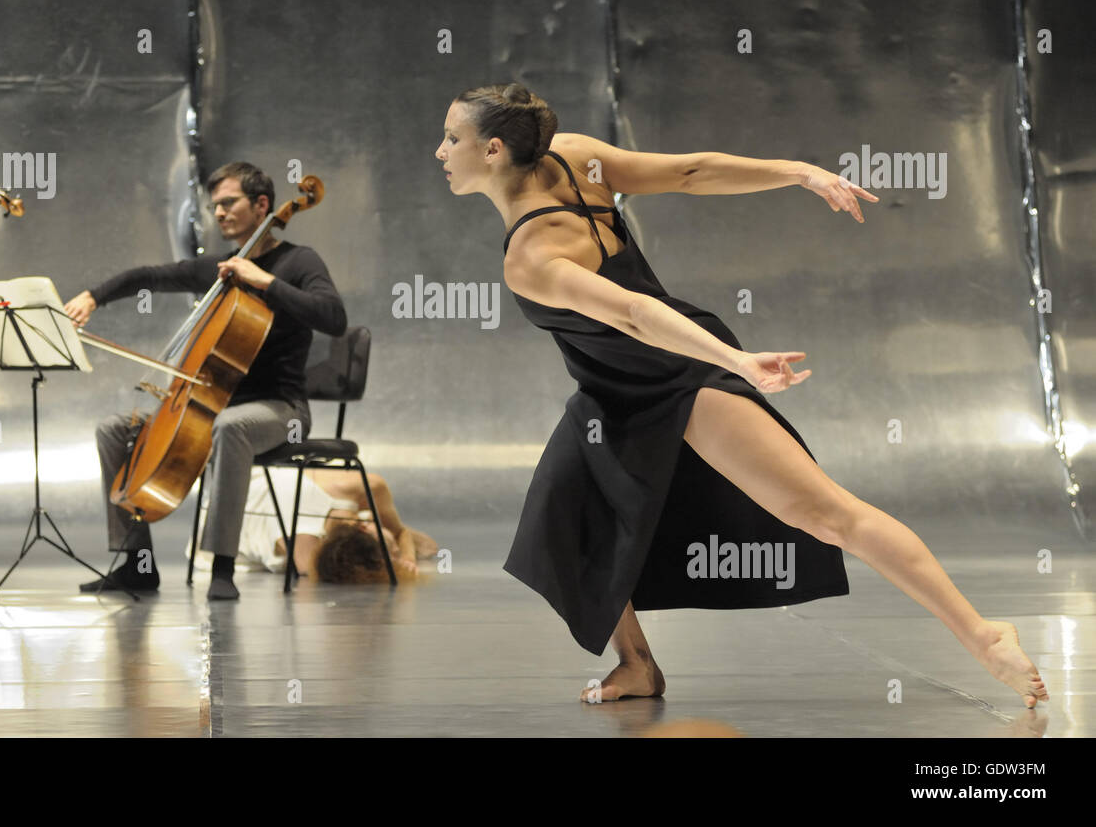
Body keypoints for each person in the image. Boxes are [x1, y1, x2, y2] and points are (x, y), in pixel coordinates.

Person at [435, 82, 1048, 709]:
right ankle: (638, 665)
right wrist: (798, 172)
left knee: (824, 514)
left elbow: (634, 314)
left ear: (493, 149)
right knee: (564, 516)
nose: (440, 151)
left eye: (452, 138)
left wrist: (732, 360)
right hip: (612, 393)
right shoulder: (573, 157)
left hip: (681, 379)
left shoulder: (532, 253)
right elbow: (694, 173)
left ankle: (982, 634)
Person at [64, 161, 347, 600]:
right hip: (210, 404)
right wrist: (93, 296)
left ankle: (222, 567)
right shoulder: (220, 267)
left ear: (262, 205)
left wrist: (264, 280)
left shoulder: (297, 261)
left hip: (279, 408)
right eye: (214, 206)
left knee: (230, 428)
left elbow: (333, 318)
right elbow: (151, 277)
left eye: (229, 203)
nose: (219, 213)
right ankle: (135, 562)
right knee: (115, 430)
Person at [196, 467, 432, 583]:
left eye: (392, 550)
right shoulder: (305, 552)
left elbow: (399, 532)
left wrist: (407, 557)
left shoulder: (366, 492)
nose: (398, 546)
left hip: (221, 506)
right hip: (222, 511)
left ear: (363, 525)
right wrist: (405, 555)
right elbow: (400, 533)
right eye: (395, 550)